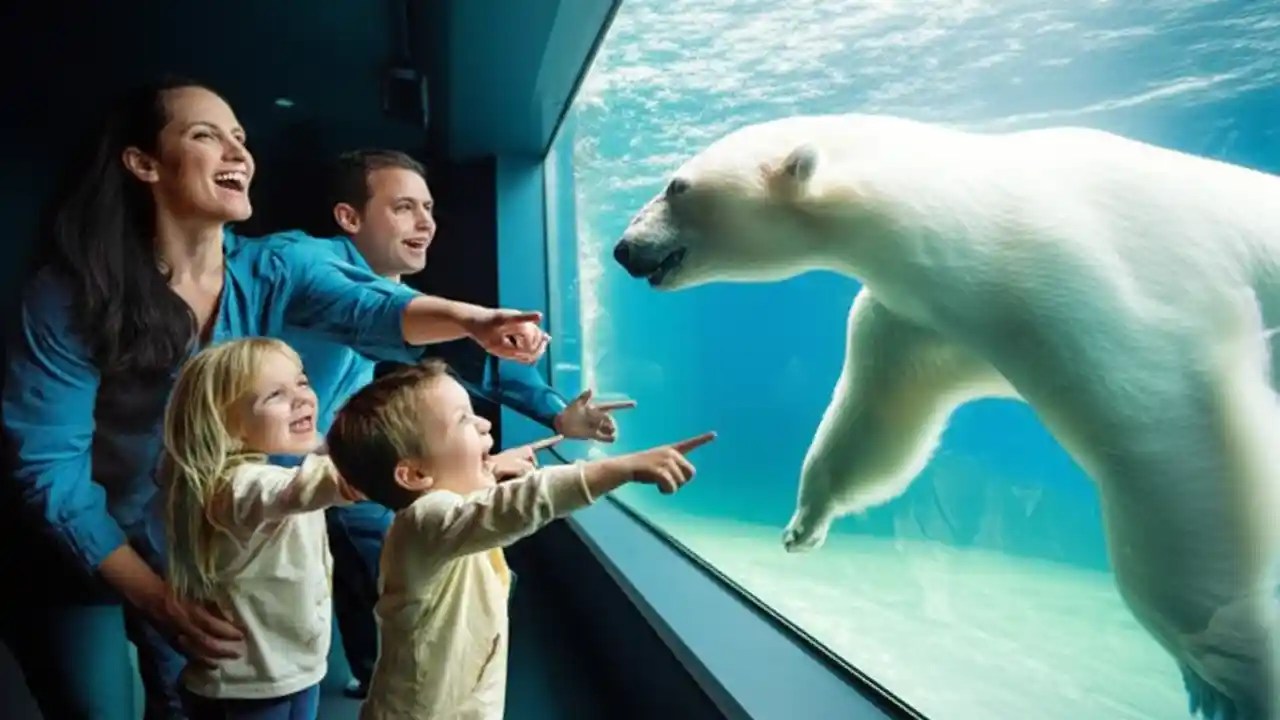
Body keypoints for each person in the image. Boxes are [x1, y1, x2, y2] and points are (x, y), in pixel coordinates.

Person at [0, 76, 548, 720]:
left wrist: (473, 320)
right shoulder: (68, 294)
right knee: (93, 708)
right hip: (77, 547)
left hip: (205, 554)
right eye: (207, 135)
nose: (238, 153)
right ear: (142, 163)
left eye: (240, 137)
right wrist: (154, 598)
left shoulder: (275, 265)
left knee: (191, 700)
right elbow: (47, 466)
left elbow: (372, 304)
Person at [277, 148, 637, 696]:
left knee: (375, 561)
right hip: (274, 480)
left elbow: (457, 349)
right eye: (403, 207)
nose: (425, 222)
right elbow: (407, 322)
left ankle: (381, 677)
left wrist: (558, 412)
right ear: (349, 218)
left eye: (428, 208)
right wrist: (473, 323)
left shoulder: (397, 298)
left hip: (341, 470)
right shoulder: (308, 269)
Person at [324, 359, 715, 720]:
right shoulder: (423, 524)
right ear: (413, 475)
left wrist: (493, 465)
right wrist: (618, 469)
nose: (484, 425)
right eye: (464, 421)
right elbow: (508, 506)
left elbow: (464, 500)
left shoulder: (432, 520)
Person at [159, 337, 362, 719]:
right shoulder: (236, 488)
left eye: (302, 382)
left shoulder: (263, 476)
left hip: (293, 672)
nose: (303, 398)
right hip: (245, 689)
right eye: (275, 395)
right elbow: (307, 486)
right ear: (227, 426)